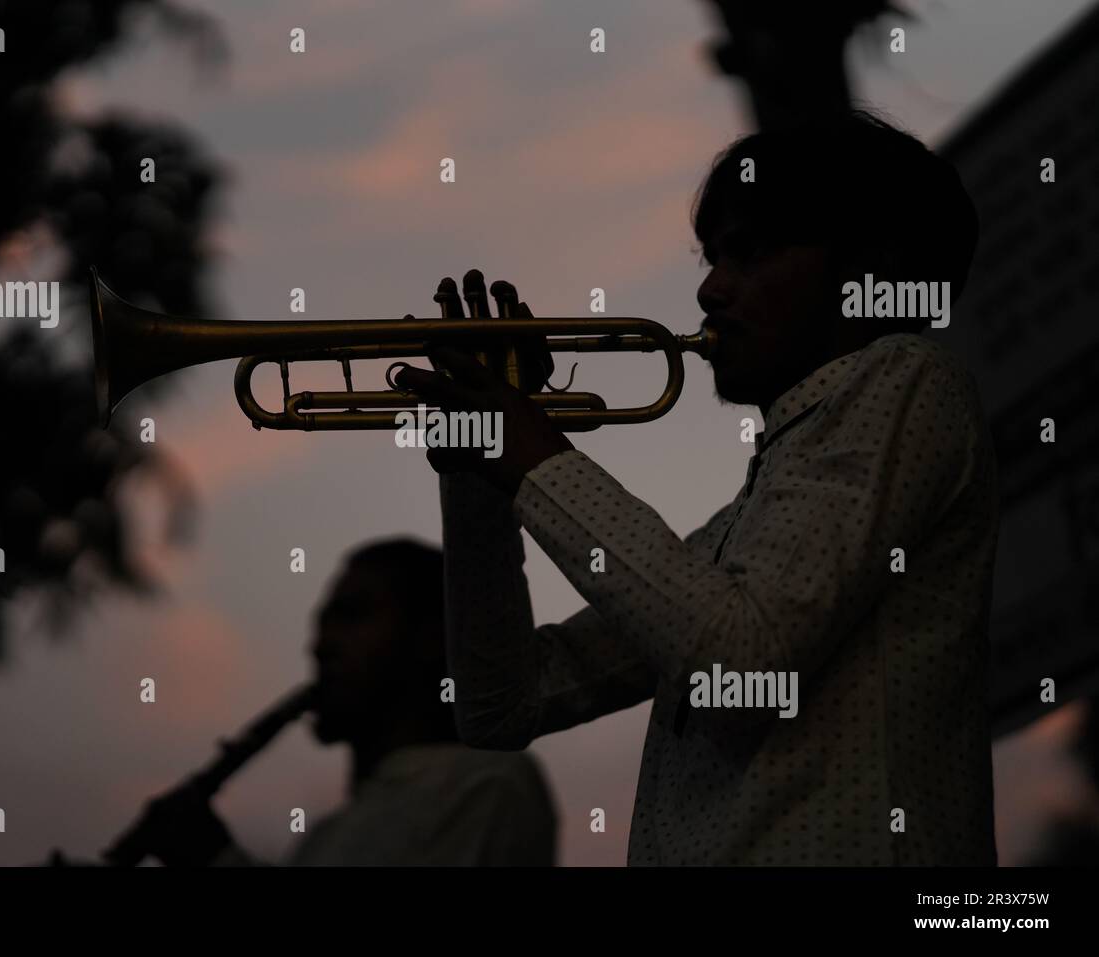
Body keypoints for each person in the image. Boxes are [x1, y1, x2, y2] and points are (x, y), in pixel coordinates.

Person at [394, 109, 999, 865]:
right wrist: (483, 478)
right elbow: (499, 706)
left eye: (748, 253)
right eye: (712, 258)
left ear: (867, 268)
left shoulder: (906, 377)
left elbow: (741, 666)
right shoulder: (736, 533)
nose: (711, 288)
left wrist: (534, 455)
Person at [140, 538, 558, 866]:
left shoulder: (486, 785)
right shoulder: (325, 834)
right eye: (322, 624)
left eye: (353, 615)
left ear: (432, 638)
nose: (321, 645)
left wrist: (214, 859)